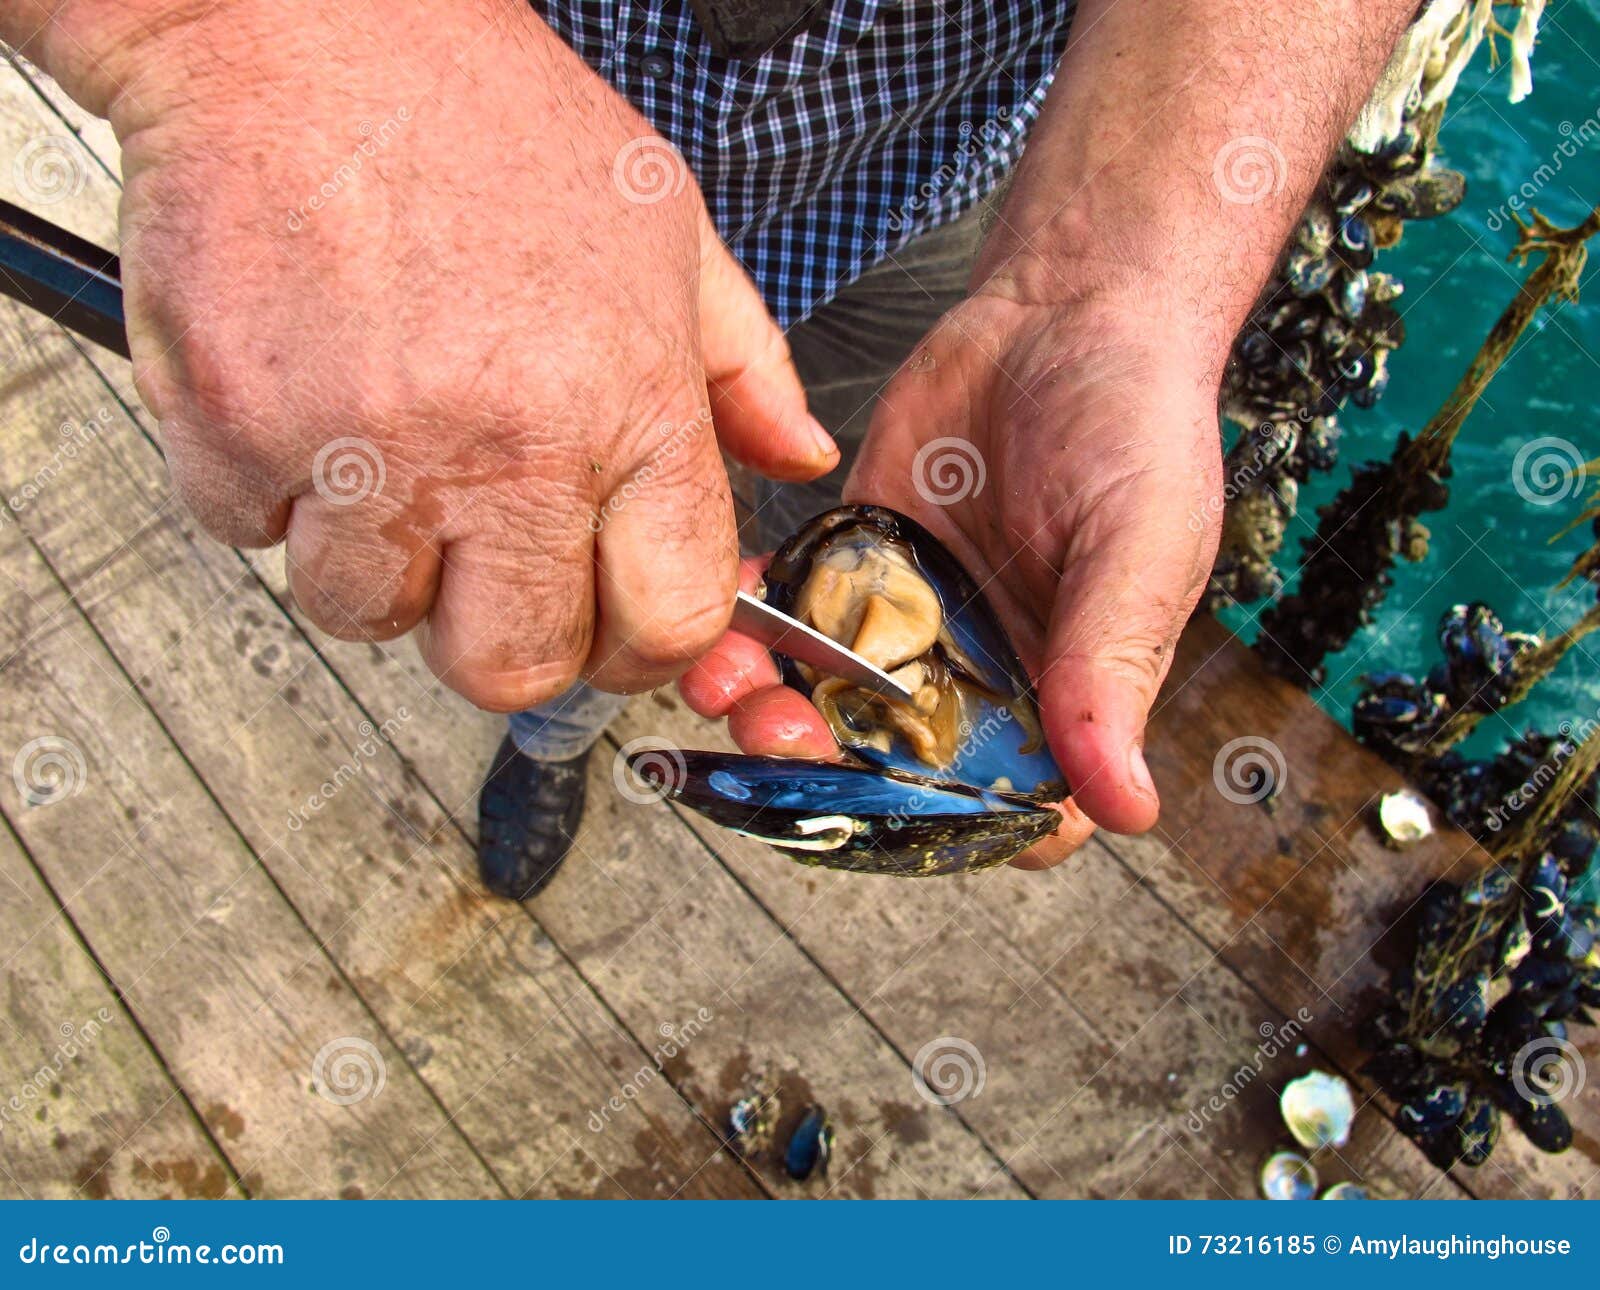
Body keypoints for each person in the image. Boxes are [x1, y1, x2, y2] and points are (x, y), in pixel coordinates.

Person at [3, 0, 1415, 898]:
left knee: (729, 556)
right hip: (440, 110)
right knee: (571, 561)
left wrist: (1116, 285)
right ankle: (548, 729)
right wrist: (234, 30)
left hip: (919, 192)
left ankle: (557, 728)